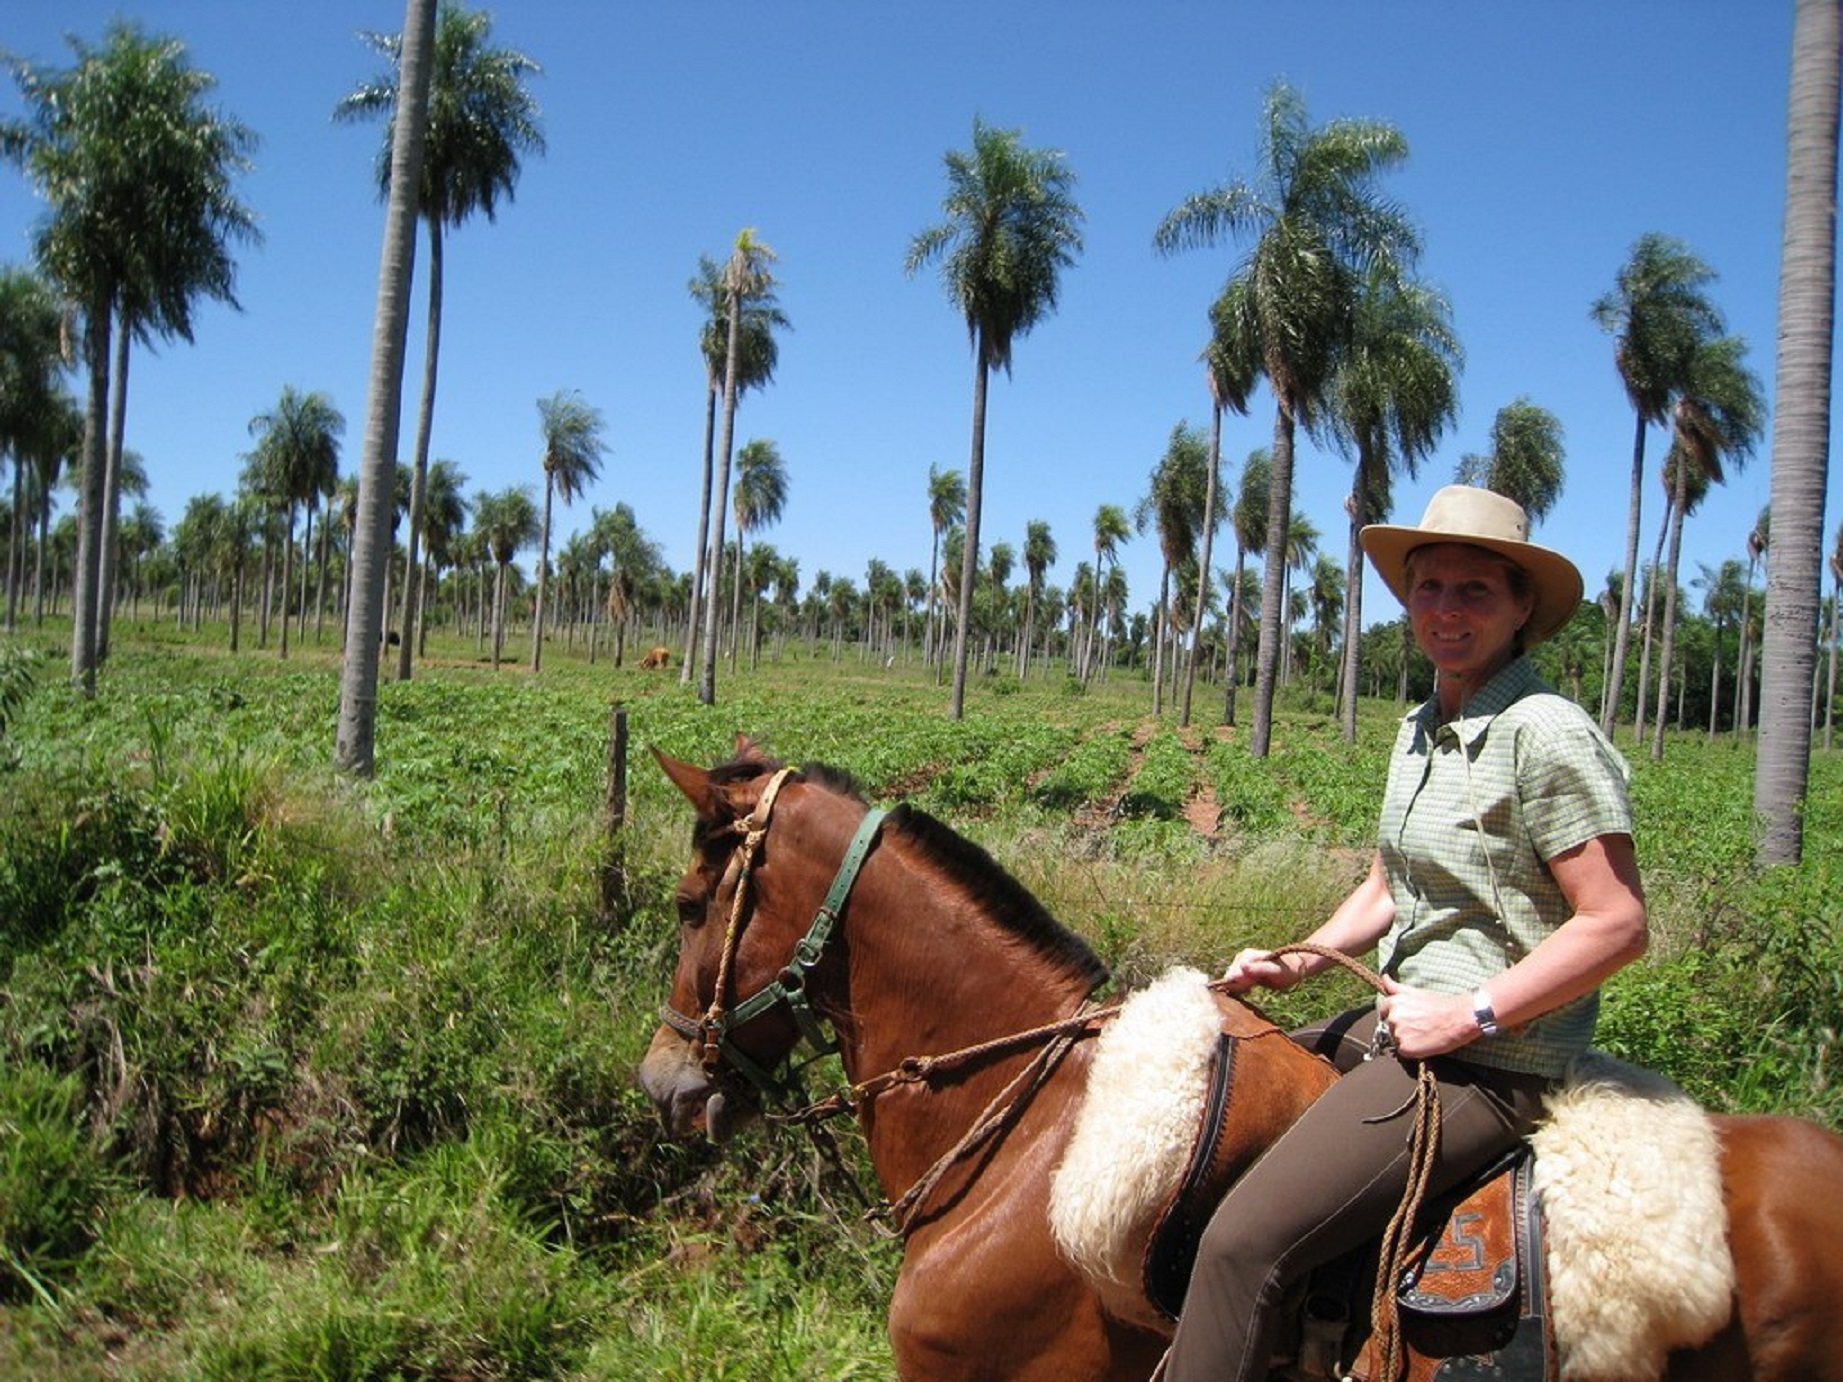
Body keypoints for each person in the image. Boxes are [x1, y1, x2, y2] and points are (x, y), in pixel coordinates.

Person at [1163, 485, 1649, 1380]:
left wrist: (1470, 1014)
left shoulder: (1542, 734)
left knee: (1240, 1243)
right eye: (1427, 588)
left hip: (1490, 1066)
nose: (1444, 611)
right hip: (1400, 1028)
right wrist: (1293, 961)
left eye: (1473, 591)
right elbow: (1388, 885)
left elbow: (1616, 923)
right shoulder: (1422, 728)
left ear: (1521, 608)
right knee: (1211, 1097)